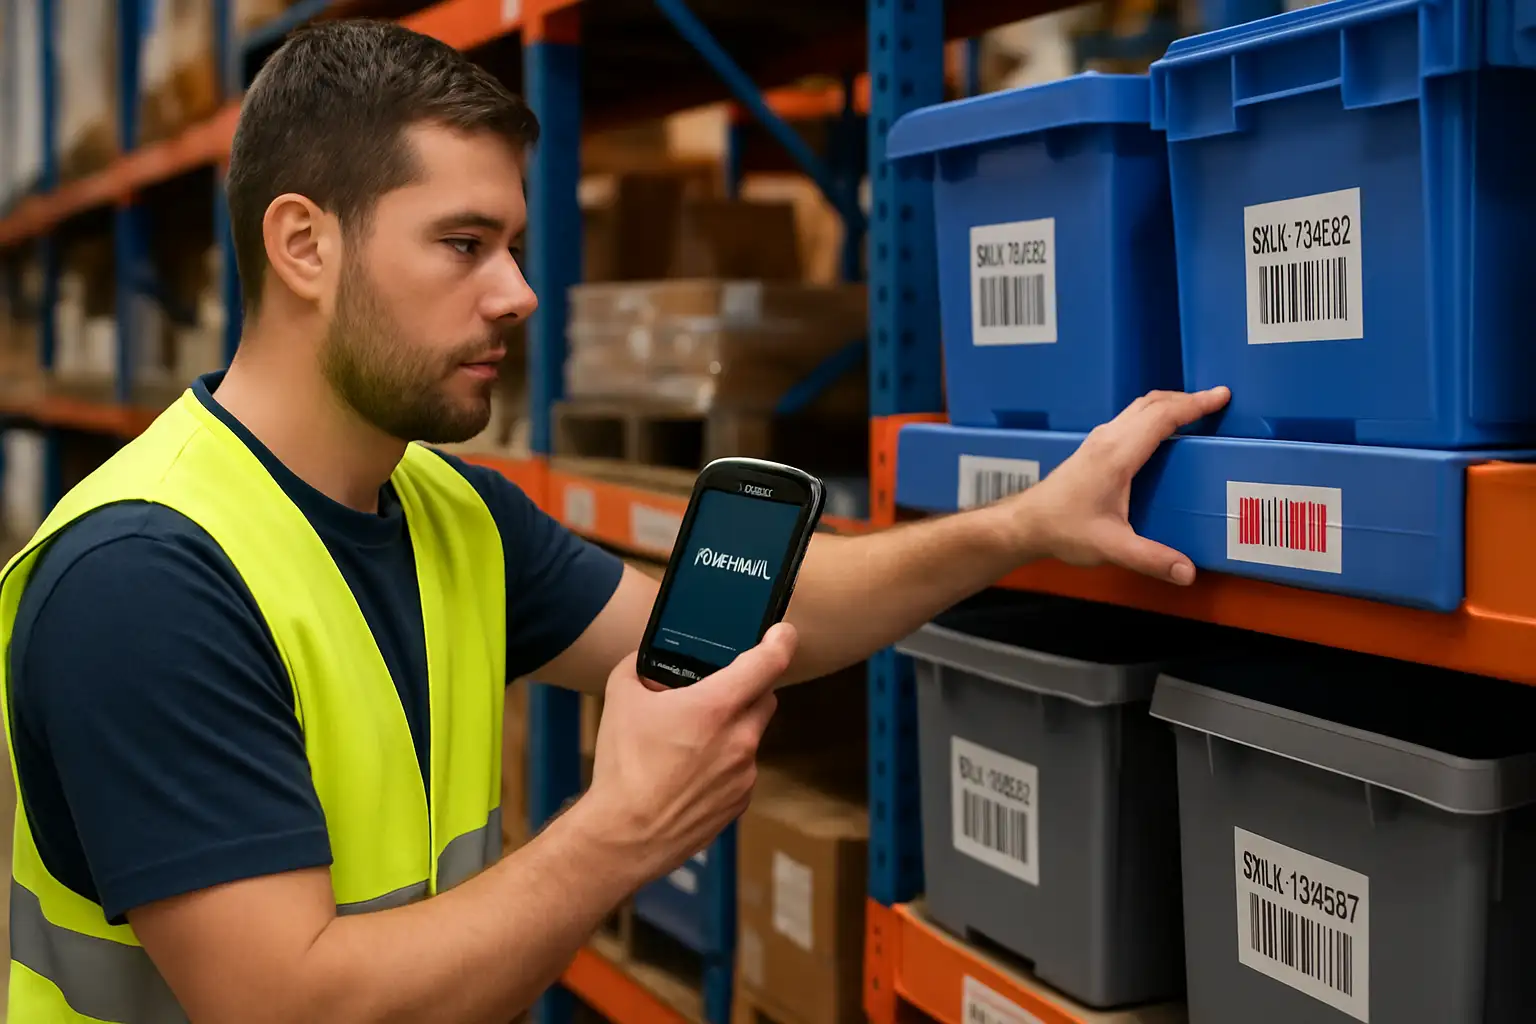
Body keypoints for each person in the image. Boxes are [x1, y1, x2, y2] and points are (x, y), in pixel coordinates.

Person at [0, 19, 1230, 1024]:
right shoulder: (144, 576)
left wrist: (1026, 523)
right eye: (464, 245)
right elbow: (296, 1005)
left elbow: (749, 615)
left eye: (516, 244)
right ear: (304, 245)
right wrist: (622, 830)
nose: (522, 292)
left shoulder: (449, 512)